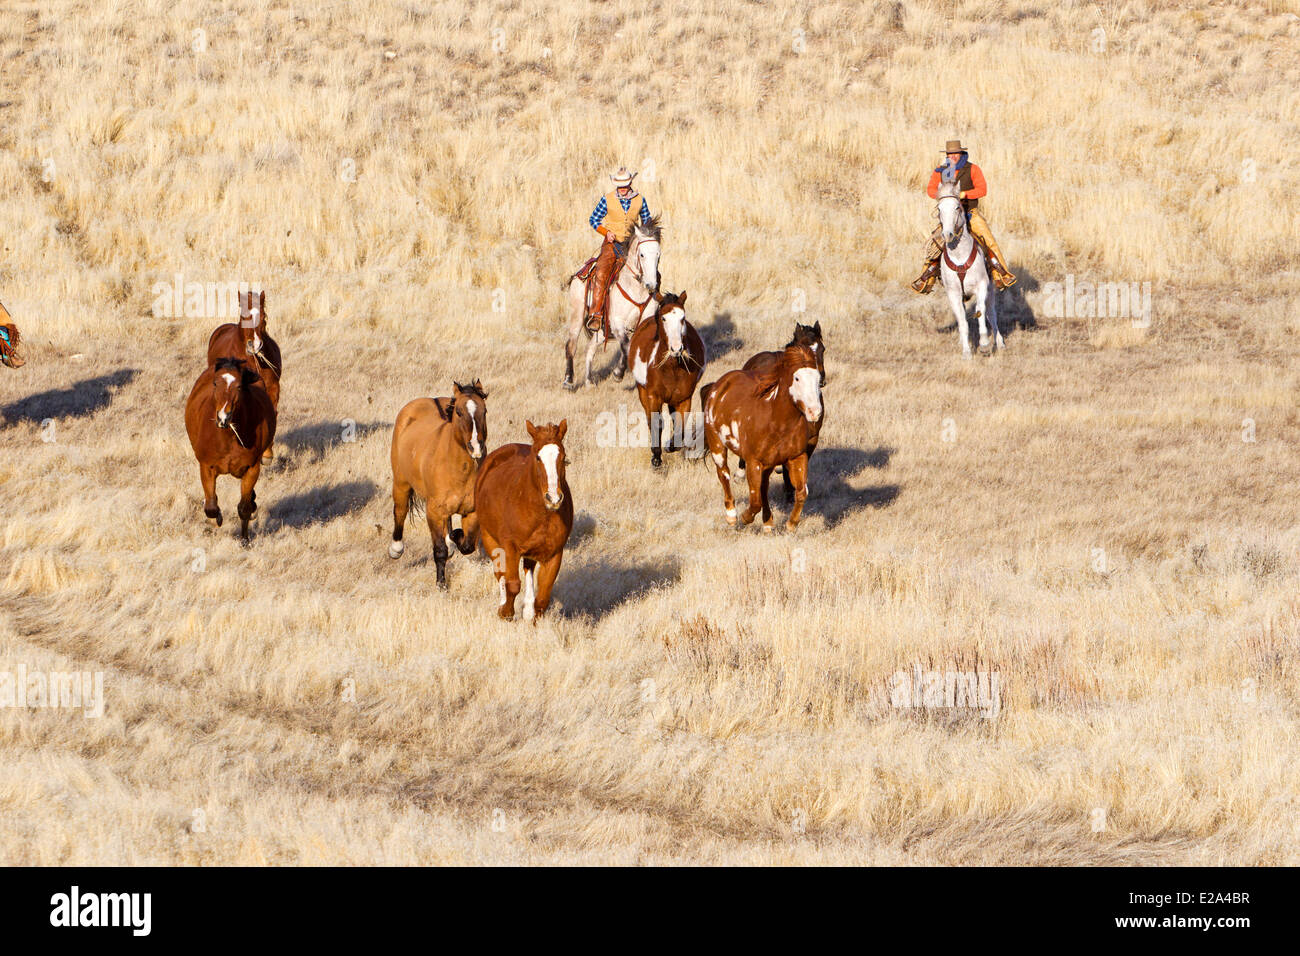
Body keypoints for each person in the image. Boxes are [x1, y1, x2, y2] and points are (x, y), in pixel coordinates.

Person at [911, 140, 1016, 294]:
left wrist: (965, 194)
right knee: (935, 245)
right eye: (949, 153)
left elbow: (982, 189)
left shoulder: (972, 169)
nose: (952, 156)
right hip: (950, 216)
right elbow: (931, 189)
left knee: (989, 241)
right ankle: (927, 279)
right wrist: (944, 196)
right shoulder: (940, 171)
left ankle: (1001, 274)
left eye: (955, 153)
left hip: (970, 213)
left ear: (961, 153)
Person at [585, 166, 653, 330]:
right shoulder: (607, 199)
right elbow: (594, 219)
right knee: (601, 272)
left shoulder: (640, 200)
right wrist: (605, 232)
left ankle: (651, 312)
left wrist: (644, 236)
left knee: (651, 270)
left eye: (625, 185)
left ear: (630, 184)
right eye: (619, 185)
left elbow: (647, 221)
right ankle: (596, 314)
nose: (622, 189)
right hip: (611, 245)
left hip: (631, 245)